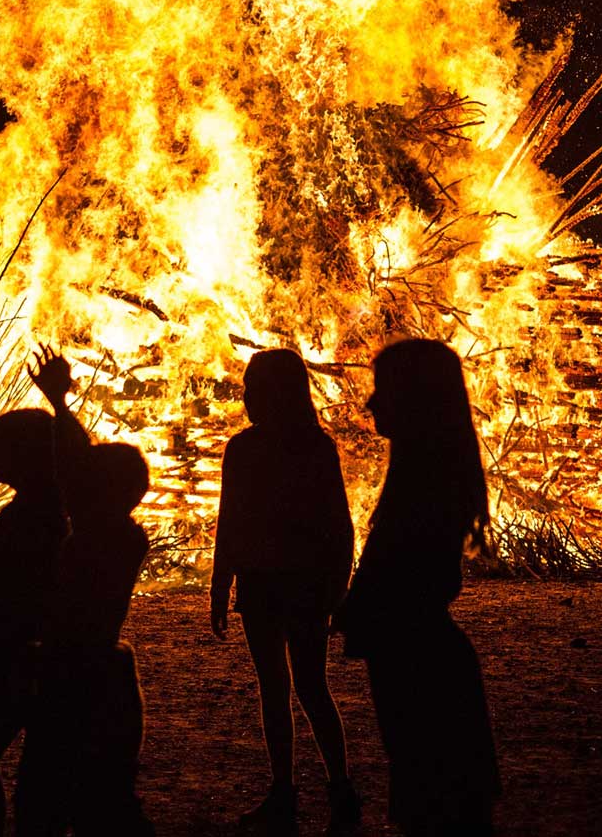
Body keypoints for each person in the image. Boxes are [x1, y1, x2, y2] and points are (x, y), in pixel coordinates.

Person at [333, 338, 500, 837]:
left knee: (436, 809)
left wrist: (348, 610)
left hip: (421, 666)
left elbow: (405, 580)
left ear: (415, 398)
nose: (370, 402)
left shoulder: (426, 488)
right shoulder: (426, 477)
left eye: (382, 389)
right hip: (420, 659)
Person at [210, 348, 359, 837]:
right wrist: (221, 583)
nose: (248, 399)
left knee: (295, 687)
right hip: (282, 583)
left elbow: (337, 523)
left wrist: (338, 584)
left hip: (285, 584)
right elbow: (230, 520)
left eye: (254, 390)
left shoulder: (282, 449)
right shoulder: (307, 446)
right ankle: (317, 790)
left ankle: (313, 789)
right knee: (293, 687)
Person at [16, 346, 154, 837]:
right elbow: (78, 476)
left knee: (61, 797)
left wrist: (60, 405)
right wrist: (60, 406)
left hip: (78, 671)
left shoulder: (108, 535)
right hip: (95, 667)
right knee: (102, 797)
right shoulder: (122, 531)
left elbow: (74, 476)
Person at [0, 407, 67, 837]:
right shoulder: (35, 510)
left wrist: (17, 653)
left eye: (0, 447)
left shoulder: (33, 517)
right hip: (20, 658)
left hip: (23, 661)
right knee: (25, 764)